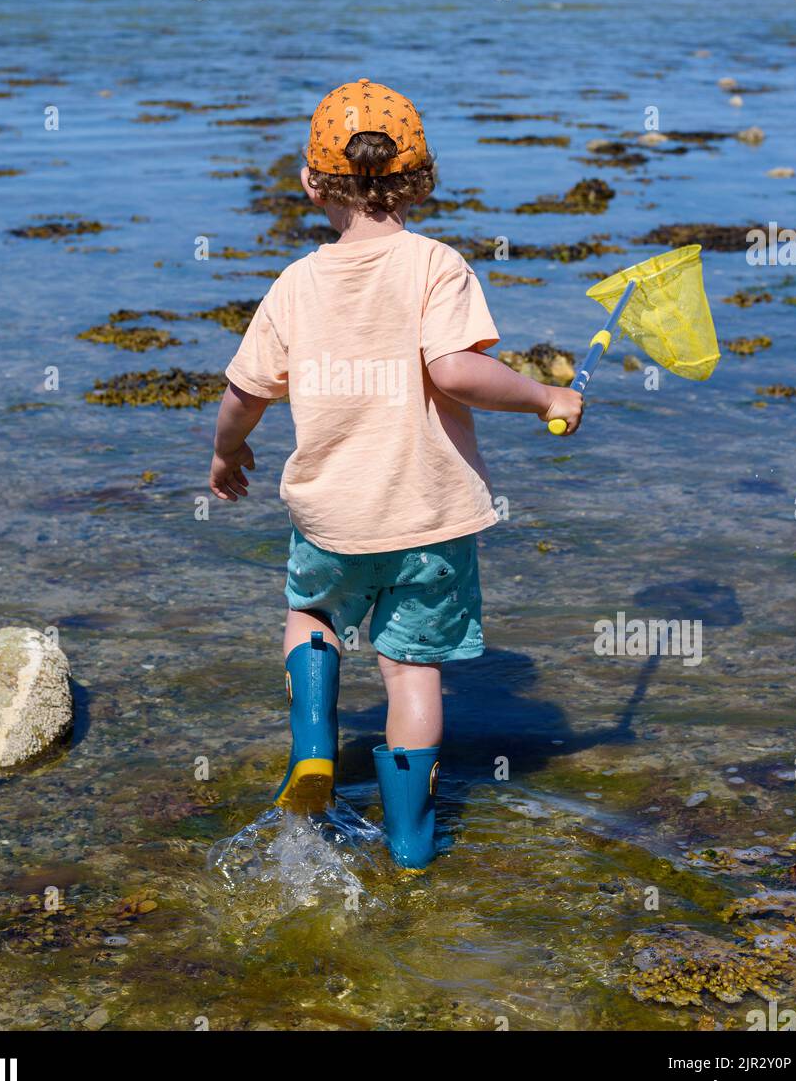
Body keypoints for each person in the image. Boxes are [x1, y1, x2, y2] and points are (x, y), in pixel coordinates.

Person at [210, 79, 582, 868]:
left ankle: (313, 747)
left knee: (311, 612)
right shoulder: (436, 267)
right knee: (412, 671)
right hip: (428, 517)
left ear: (311, 183)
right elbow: (455, 372)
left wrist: (226, 452)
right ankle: (411, 844)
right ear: (421, 178)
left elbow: (243, 394)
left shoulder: (295, 284)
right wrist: (544, 394)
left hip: (331, 515)